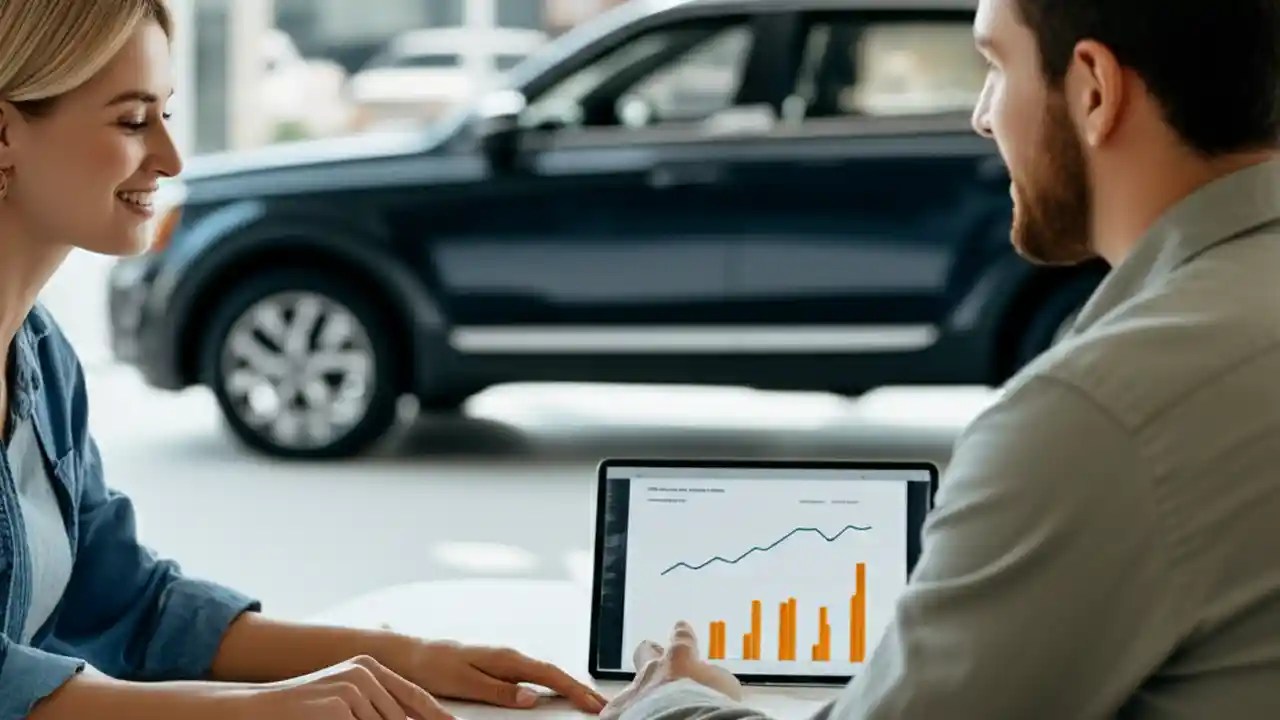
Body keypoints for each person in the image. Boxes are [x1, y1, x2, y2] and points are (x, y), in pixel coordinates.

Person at [601, 0, 1280, 718]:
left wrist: (668, 704)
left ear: (1093, 90)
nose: (982, 116)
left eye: (993, 65)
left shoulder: (1099, 416)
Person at [0, 3, 609, 719]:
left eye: (165, 114)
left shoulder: (41, 358)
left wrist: (411, 656)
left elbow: (133, 606)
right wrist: (253, 711)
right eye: (134, 121)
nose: (170, 157)